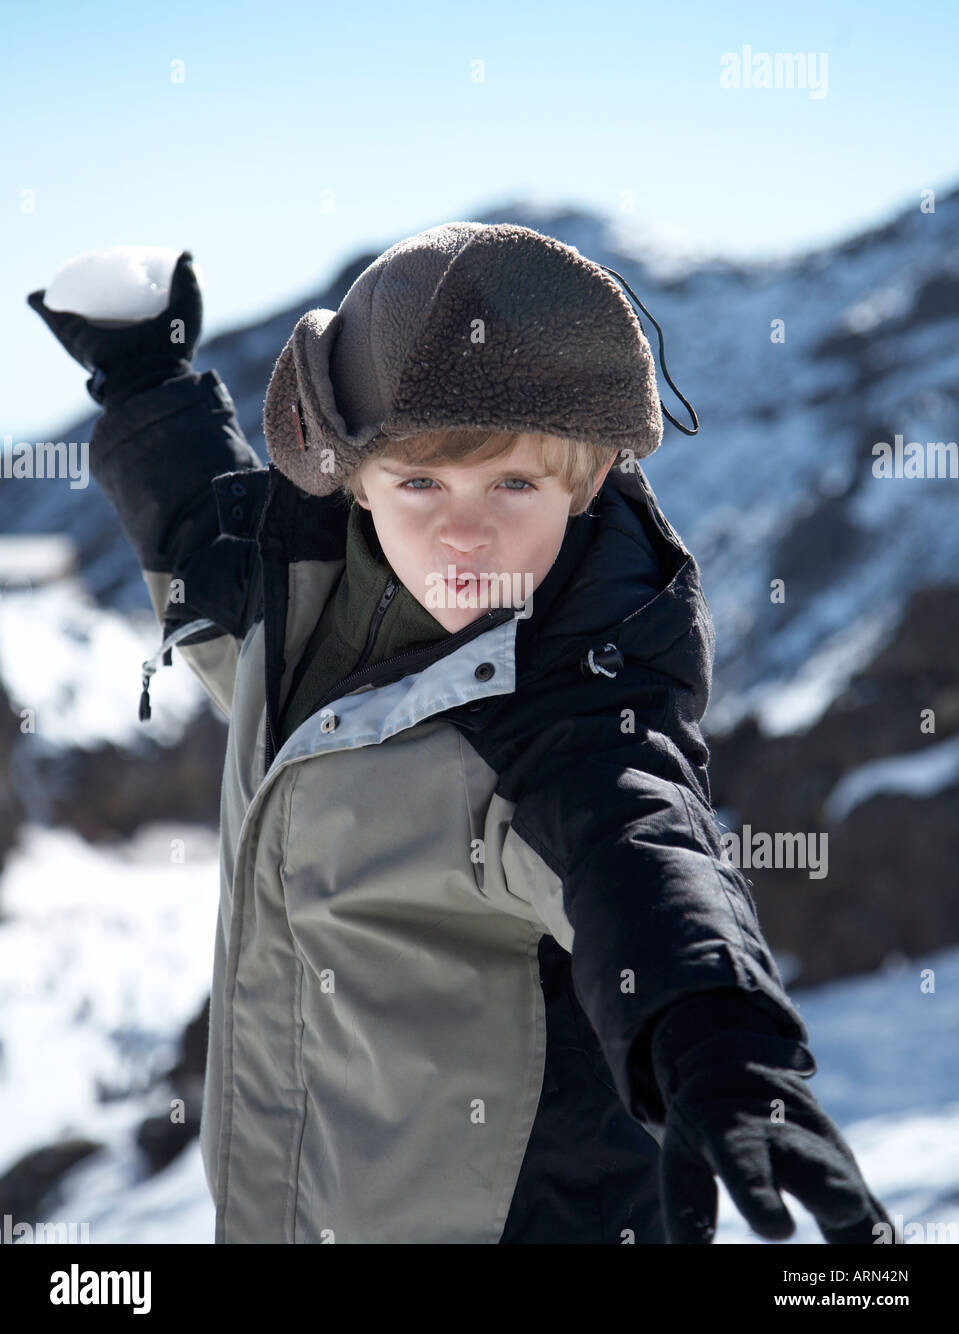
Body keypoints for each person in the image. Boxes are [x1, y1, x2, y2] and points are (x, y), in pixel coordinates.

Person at [28, 221, 894, 1245]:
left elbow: (635, 846)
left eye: (514, 485)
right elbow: (192, 529)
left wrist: (711, 1038)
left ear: (583, 486)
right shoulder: (294, 605)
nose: (463, 532)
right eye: (420, 483)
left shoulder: (574, 703)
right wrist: (143, 376)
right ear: (352, 480)